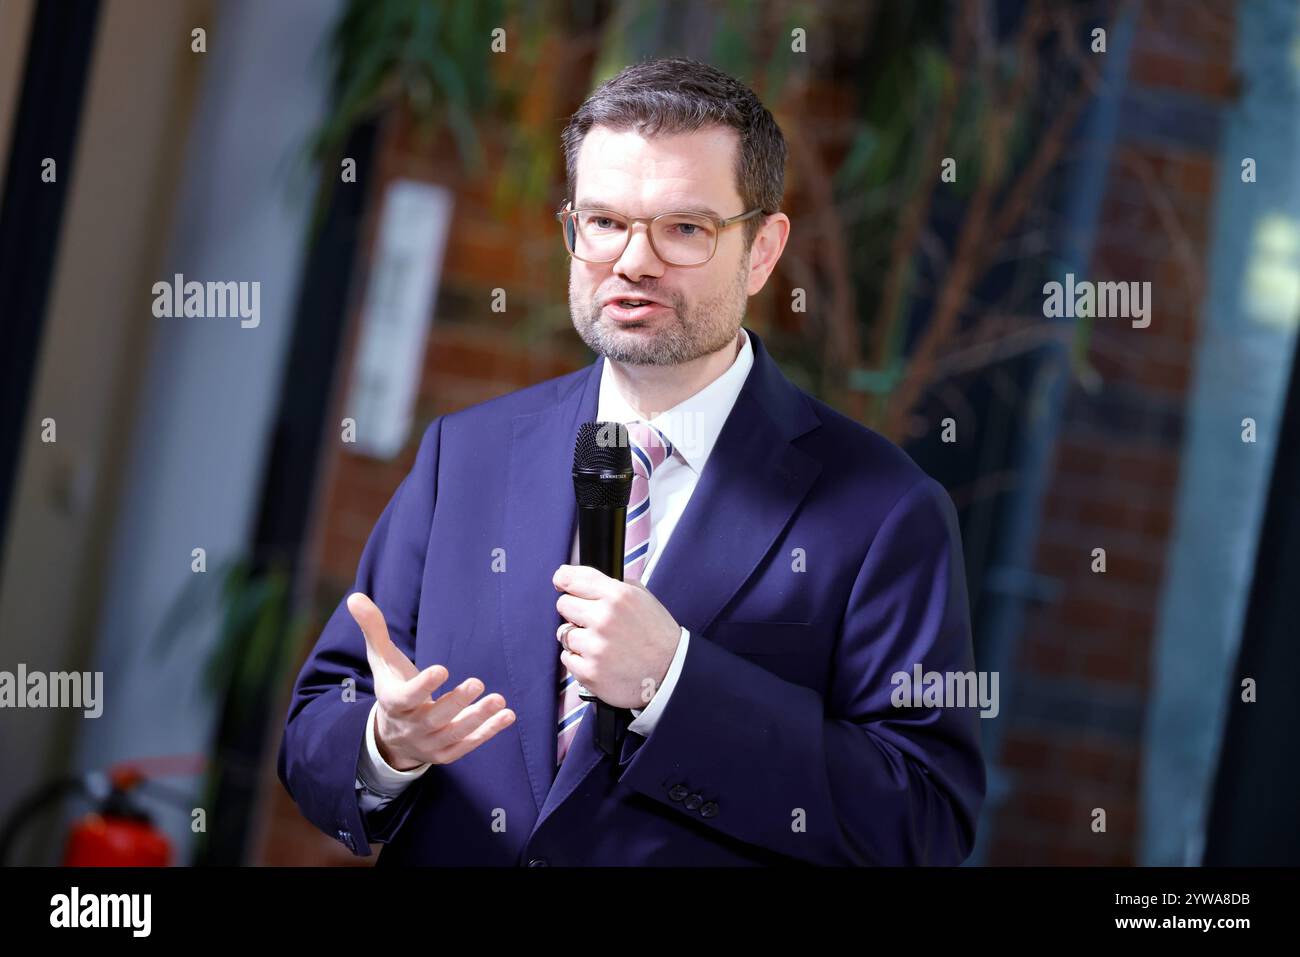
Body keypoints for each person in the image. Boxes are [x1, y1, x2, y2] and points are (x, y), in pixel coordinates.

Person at [277, 56, 985, 866]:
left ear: (762, 250)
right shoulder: (465, 456)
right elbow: (313, 738)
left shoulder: (882, 510)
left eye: (684, 228)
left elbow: (921, 823)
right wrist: (385, 742)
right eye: (605, 221)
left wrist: (676, 685)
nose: (632, 261)